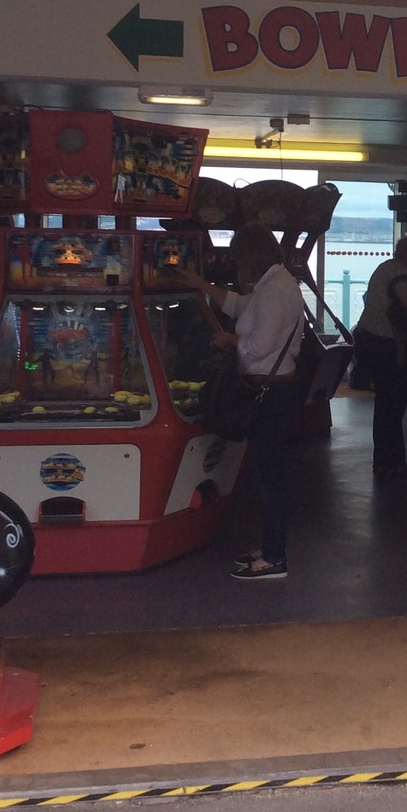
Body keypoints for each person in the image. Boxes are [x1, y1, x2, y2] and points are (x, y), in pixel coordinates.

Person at [179, 223, 305, 581]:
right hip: (276, 389)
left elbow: (258, 346)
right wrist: (202, 286)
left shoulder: (274, 291)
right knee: (269, 472)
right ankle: (269, 547)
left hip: (268, 391)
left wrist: (227, 341)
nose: (236, 266)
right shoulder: (276, 283)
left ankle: (274, 558)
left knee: (270, 477)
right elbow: (239, 305)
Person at [353, 234, 407, 479]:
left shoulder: (385, 268)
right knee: (392, 406)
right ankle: (393, 463)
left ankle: (385, 461)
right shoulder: (400, 276)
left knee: (385, 405)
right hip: (385, 345)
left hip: (371, 340)